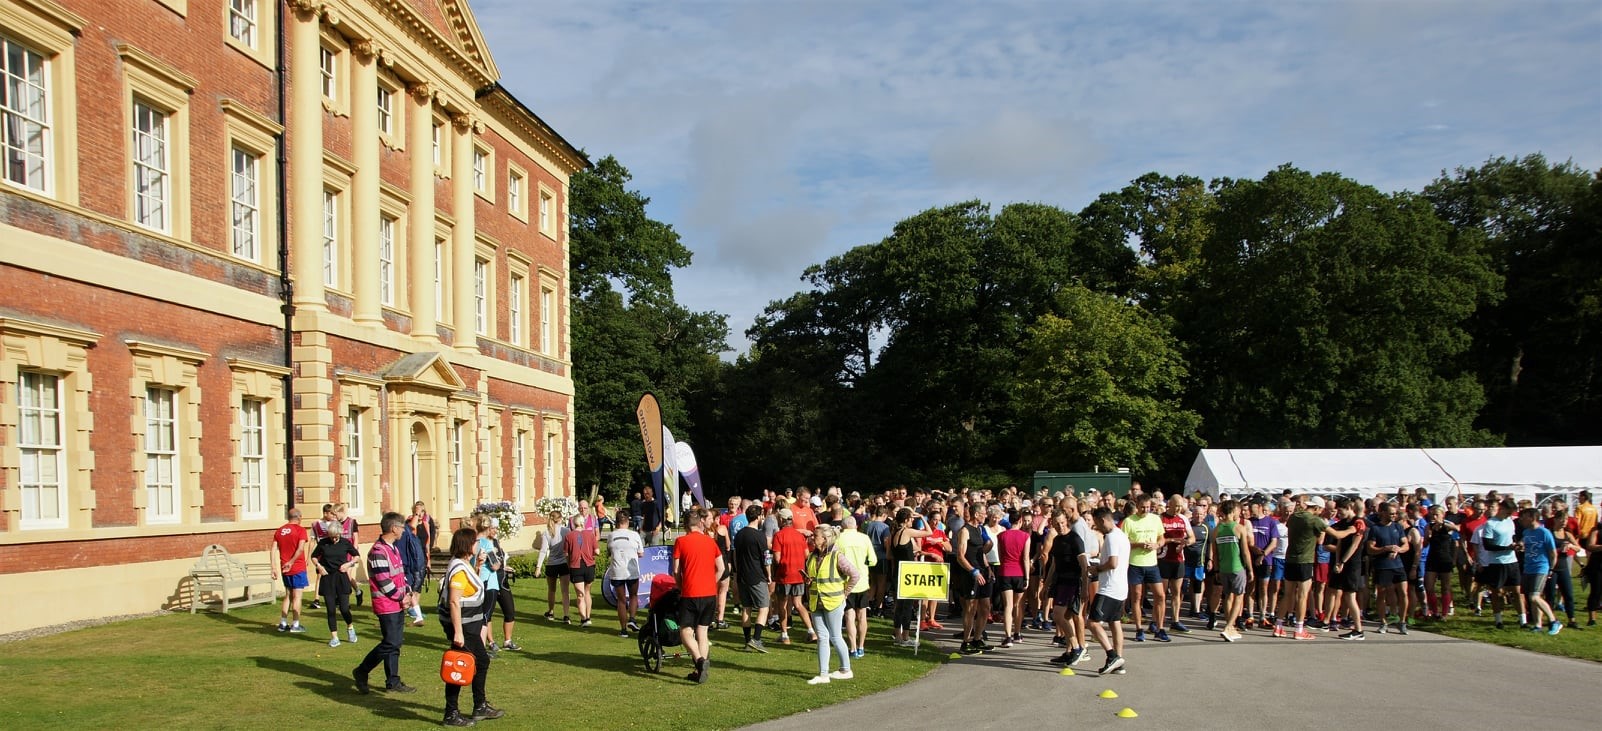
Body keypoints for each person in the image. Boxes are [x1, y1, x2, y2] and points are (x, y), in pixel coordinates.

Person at [438, 527, 500, 726]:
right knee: (460, 666)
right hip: (464, 627)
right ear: (467, 545)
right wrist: (458, 632)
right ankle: (452, 713)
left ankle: (478, 705)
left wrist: (478, 567)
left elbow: (470, 589)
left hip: (469, 625)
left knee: (476, 662)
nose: (477, 545)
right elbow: (454, 601)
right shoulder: (458, 569)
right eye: (474, 542)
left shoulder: (464, 564)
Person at [353, 513, 417, 696]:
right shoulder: (378, 551)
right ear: (394, 528)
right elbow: (384, 581)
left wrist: (407, 592)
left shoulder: (393, 548)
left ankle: (393, 681)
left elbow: (400, 575)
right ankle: (362, 671)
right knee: (391, 642)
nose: (404, 531)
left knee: (395, 644)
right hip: (386, 604)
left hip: (396, 603)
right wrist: (401, 597)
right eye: (402, 527)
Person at [804, 524, 862, 684]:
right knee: (822, 637)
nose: (812, 538)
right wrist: (809, 581)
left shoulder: (836, 555)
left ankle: (846, 669)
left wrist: (845, 593)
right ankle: (823, 674)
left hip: (833, 601)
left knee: (835, 636)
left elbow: (855, 574)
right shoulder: (812, 556)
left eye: (815, 536)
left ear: (824, 538)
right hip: (816, 601)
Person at [673, 506, 725, 684]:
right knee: (702, 631)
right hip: (710, 593)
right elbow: (721, 568)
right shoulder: (710, 541)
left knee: (686, 631)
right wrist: (712, 582)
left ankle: (700, 661)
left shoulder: (681, 541)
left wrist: (681, 586)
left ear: (685, 525)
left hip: (690, 593)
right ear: (700, 523)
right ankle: (699, 671)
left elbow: (676, 570)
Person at [1085, 507, 1130, 675]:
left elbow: (1113, 563)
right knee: (1114, 622)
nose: (1096, 527)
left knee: (1092, 622)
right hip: (1120, 587)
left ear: (1103, 520)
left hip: (1109, 588)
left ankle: (1112, 655)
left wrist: (1097, 569)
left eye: (1097, 524)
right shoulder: (1122, 535)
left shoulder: (1111, 537)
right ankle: (1119, 661)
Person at [1044, 507, 1091, 665]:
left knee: (1058, 615)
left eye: (1062, 523)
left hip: (1073, 582)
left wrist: (1085, 588)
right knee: (1066, 617)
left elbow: (1084, 566)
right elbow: (1053, 565)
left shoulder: (1075, 539)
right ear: (1052, 524)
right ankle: (1069, 651)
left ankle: (1077, 648)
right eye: (1057, 524)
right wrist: (1046, 584)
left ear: (1067, 521)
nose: (1060, 526)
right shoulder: (1057, 540)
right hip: (1060, 581)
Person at [1120, 494, 1168, 642]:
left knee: (1160, 595)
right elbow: (1123, 543)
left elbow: (1162, 538)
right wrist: (1139, 544)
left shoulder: (1155, 519)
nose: (1146, 510)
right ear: (1137, 505)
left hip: (1152, 564)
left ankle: (1160, 628)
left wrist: (1157, 545)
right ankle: (1139, 629)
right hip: (1135, 564)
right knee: (1137, 597)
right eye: (1143, 507)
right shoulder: (1128, 521)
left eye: (1148, 507)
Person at [311, 519, 360, 647]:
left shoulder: (345, 543)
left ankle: (350, 627)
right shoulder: (323, 543)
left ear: (340, 534)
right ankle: (334, 637)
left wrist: (348, 564)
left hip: (341, 577)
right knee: (331, 609)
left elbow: (356, 556)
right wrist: (319, 566)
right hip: (327, 578)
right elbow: (314, 557)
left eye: (336, 537)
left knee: (344, 608)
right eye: (331, 536)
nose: (333, 539)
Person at [954, 503, 994, 654]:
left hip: (983, 571)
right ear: (976, 514)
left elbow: (981, 551)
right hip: (971, 573)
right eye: (983, 513)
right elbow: (960, 556)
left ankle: (977, 639)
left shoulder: (980, 529)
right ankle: (966, 642)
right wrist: (973, 571)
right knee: (971, 608)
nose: (986, 516)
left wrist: (988, 568)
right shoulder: (965, 531)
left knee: (985, 607)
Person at [889, 507, 933, 647]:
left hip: (898, 571)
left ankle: (898, 635)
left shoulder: (894, 532)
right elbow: (929, 532)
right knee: (907, 606)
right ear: (907, 519)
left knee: (899, 606)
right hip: (907, 572)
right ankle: (906, 637)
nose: (912, 521)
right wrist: (922, 518)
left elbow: (891, 554)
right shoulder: (906, 531)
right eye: (911, 519)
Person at [731, 504, 773, 652]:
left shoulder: (739, 534)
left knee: (746, 608)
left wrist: (737, 570)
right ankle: (756, 638)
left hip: (742, 576)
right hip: (756, 576)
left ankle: (747, 641)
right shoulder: (759, 536)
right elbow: (766, 558)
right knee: (764, 607)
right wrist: (769, 574)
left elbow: (735, 554)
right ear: (758, 517)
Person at [771, 508, 815, 644]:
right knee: (798, 603)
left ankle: (784, 635)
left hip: (784, 575)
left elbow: (777, 558)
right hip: (799, 574)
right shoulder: (799, 535)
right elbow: (807, 555)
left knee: (782, 604)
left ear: (781, 520)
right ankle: (811, 631)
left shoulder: (778, 535)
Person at [1211, 500, 1253, 642]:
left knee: (1228, 596)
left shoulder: (1217, 530)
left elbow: (1215, 553)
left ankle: (1231, 627)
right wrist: (1250, 569)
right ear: (1234, 511)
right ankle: (1229, 626)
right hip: (1237, 567)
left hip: (1223, 568)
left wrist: (1217, 570)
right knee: (1239, 597)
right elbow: (1245, 552)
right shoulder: (1239, 528)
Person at [836, 515, 877, 658]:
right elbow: (873, 560)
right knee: (862, 616)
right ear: (855, 525)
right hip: (862, 581)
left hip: (846, 583)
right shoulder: (864, 538)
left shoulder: (839, 539)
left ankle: (852, 648)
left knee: (849, 616)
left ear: (843, 526)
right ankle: (861, 647)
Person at [1478, 499, 1521, 629]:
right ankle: (1498, 620)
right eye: (1508, 513)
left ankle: (1523, 619)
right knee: (1497, 592)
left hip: (1512, 561)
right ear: (1501, 509)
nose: (1509, 515)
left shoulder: (1509, 521)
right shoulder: (1490, 524)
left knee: (1517, 591)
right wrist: (1507, 548)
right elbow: (1487, 545)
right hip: (1497, 562)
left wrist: (1517, 544)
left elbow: (1512, 537)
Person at [1329, 498, 1369, 640]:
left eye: (1341, 511)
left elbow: (1355, 544)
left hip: (1353, 563)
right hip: (1342, 562)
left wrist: (1343, 561)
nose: (1339, 514)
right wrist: (1338, 561)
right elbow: (1339, 543)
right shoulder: (1343, 523)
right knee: (1345, 594)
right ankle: (1356, 628)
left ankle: (1358, 629)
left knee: (1350, 596)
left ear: (1349, 508)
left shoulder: (1358, 522)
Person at [1155, 495, 1194, 634]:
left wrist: (1185, 543)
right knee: (1161, 594)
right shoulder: (1160, 518)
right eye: (1176, 506)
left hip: (1178, 559)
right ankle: (1156, 621)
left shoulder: (1183, 518)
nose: (1178, 509)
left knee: (1177, 592)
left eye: (1180, 506)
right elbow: (1157, 539)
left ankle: (1175, 621)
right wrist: (1171, 540)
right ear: (1169, 504)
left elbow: (1192, 537)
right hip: (1163, 559)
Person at [1518, 508, 1561, 634]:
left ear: (1532, 518)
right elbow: (1523, 543)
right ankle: (1538, 625)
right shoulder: (1526, 532)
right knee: (1532, 597)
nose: (1522, 519)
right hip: (1528, 568)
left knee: (1534, 597)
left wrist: (1551, 569)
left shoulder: (1544, 532)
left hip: (1541, 567)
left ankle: (1554, 621)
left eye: (1524, 517)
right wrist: (1520, 546)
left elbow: (1553, 553)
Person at [270, 506, 311, 633]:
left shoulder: (280, 531)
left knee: (288, 595)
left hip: (284, 568)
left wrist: (273, 567)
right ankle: (295, 624)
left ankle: (283, 623)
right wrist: (291, 562)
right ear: (299, 517)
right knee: (297, 596)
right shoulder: (301, 530)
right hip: (297, 567)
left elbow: (273, 549)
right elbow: (300, 549)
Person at [996, 510, 1032, 647]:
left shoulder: (1001, 536)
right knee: (1018, 605)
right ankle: (1017, 633)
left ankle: (1008, 637)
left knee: (1008, 606)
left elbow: (1000, 555)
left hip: (1005, 571)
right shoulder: (1025, 536)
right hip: (1019, 573)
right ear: (1020, 521)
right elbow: (1026, 558)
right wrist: (1027, 577)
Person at [608, 507, 645, 637]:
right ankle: (632, 619)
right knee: (633, 595)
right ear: (627, 521)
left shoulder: (611, 535)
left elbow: (609, 552)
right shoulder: (634, 535)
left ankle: (623, 630)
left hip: (617, 571)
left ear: (617, 522)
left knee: (621, 600)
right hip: (631, 571)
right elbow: (641, 553)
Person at [533, 511, 571, 623]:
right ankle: (566, 615)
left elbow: (543, 550)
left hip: (552, 564)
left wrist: (538, 567)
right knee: (565, 591)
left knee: (551, 590)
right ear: (560, 519)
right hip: (564, 563)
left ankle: (551, 612)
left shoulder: (547, 533)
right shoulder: (566, 531)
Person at [565, 509, 599, 627]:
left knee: (580, 595)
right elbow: (597, 551)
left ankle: (583, 619)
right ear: (583, 522)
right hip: (589, 565)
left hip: (576, 566)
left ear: (573, 523)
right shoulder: (590, 534)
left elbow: (566, 553)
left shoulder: (569, 536)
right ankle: (588, 617)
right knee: (587, 592)